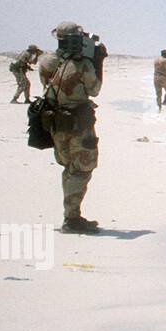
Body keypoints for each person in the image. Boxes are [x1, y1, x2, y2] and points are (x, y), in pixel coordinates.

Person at [37, 21, 107, 233]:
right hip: (79, 124)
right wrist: (97, 62)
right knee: (82, 169)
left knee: (69, 167)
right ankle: (72, 219)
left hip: (56, 123)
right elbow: (94, 90)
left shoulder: (46, 61)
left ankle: (71, 215)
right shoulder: (82, 64)